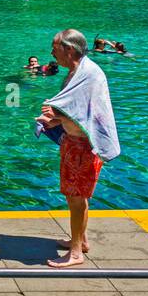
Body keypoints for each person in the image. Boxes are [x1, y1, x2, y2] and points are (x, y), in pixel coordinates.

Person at [34, 29, 120, 269]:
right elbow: (80, 110)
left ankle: (75, 253)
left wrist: (55, 112)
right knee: (76, 196)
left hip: (85, 146)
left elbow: (85, 113)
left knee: (76, 198)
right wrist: (53, 121)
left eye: (55, 47)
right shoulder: (76, 73)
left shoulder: (89, 74)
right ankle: (80, 241)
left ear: (69, 49)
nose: (51, 52)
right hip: (73, 142)